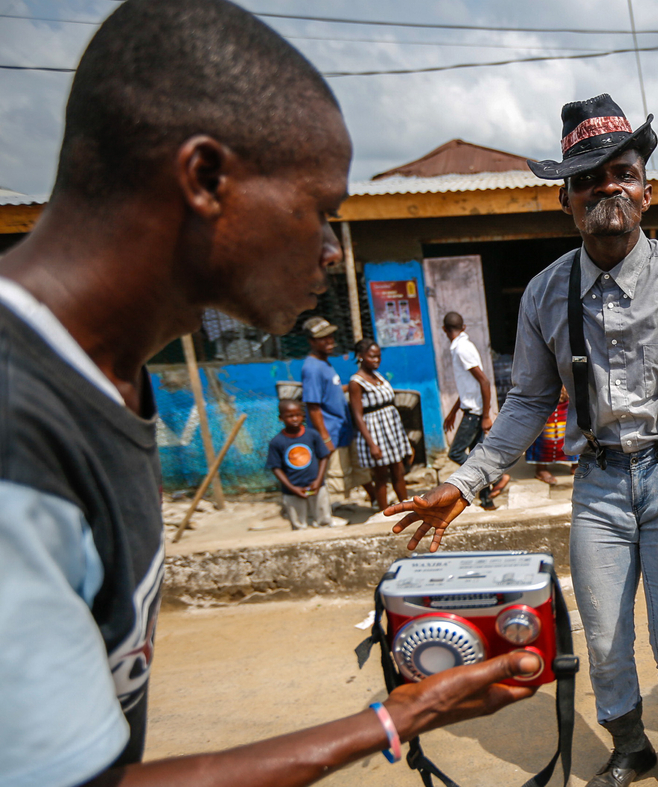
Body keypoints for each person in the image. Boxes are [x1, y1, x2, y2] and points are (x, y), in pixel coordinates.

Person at [0, 2, 540, 786]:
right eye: (321, 211)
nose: (330, 250)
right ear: (206, 178)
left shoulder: (111, 377)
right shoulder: (18, 428)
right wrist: (397, 719)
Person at [385, 94, 658, 787]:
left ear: (646, 191)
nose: (606, 187)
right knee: (607, 640)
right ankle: (629, 744)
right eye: (587, 178)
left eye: (622, 172)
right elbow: (528, 399)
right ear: (567, 200)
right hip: (600, 486)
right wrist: (467, 479)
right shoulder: (545, 293)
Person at [440, 311, 508, 508]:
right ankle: (486, 500)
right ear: (463, 328)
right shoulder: (460, 347)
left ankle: (496, 477)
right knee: (476, 454)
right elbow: (469, 386)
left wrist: (486, 415)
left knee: (456, 453)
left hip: (476, 413)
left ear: (444, 329)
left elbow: (484, 382)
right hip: (472, 409)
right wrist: (453, 411)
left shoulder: (462, 349)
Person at [301, 316, 372, 501]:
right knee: (335, 476)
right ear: (311, 341)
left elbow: (329, 391)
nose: (329, 341)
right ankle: (331, 514)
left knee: (357, 469)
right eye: (323, 338)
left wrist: (353, 386)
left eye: (331, 336)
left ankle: (372, 500)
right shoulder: (312, 368)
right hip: (330, 432)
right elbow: (313, 406)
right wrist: (325, 438)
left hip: (343, 429)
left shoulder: (324, 363)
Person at [347, 339, 413, 511]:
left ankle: (406, 508)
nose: (376, 360)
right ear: (360, 357)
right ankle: (385, 514)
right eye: (372, 357)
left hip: (391, 429)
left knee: (398, 470)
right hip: (374, 432)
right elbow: (357, 415)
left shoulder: (378, 376)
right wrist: (372, 444)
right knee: (381, 475)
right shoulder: (356, 382)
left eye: (378, 356)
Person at [267, 400, 333, 529]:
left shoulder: (312, 435)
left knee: (324, 520)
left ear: (303, 415)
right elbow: (276, 468)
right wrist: (292, 488)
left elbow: (324, 457)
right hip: (292, 490)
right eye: (290, 416)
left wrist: (319, 481)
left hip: (316, 486)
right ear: (281, 418)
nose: (295, 419)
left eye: (298, 414)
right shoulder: (277, 442)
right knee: (298, 525)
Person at [526, 387, 578, 484]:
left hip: (569, 394)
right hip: (543, 397)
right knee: (543, 434)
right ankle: (541, 469)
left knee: (572, 429)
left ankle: (576, 463)